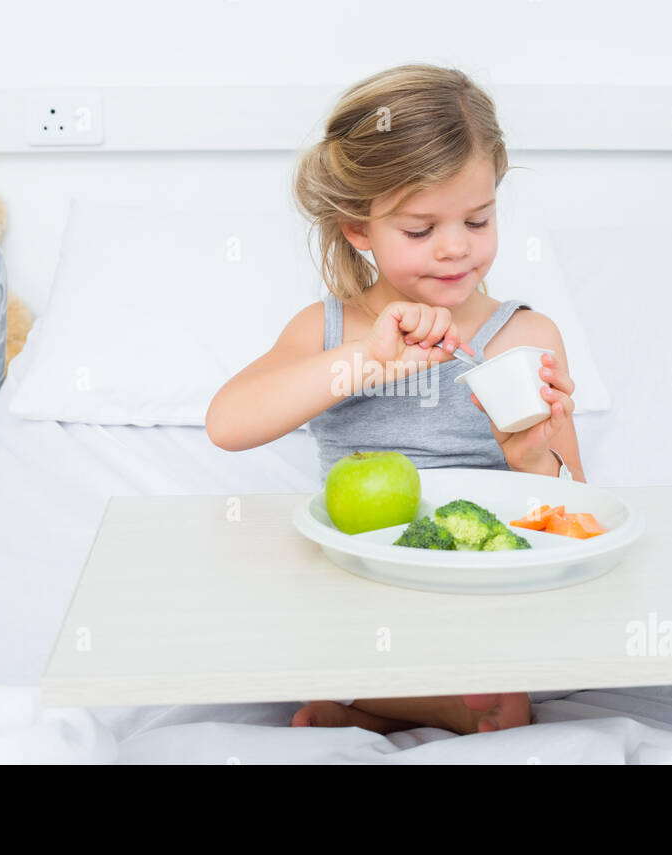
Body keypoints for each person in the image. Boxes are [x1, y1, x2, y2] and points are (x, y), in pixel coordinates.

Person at [205, 63, 584, 735]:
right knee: (288, 624)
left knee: (514, 678)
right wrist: (364, 363)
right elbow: (227, 422)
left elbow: (577, 513)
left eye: (477, 218)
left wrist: (533, 459)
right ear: (359, 229)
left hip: (478, 588)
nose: (456, 249)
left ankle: (370, 709)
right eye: (419, 230)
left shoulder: (522, 336)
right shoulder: (330, 331)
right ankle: (395, 699)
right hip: (363, 579)